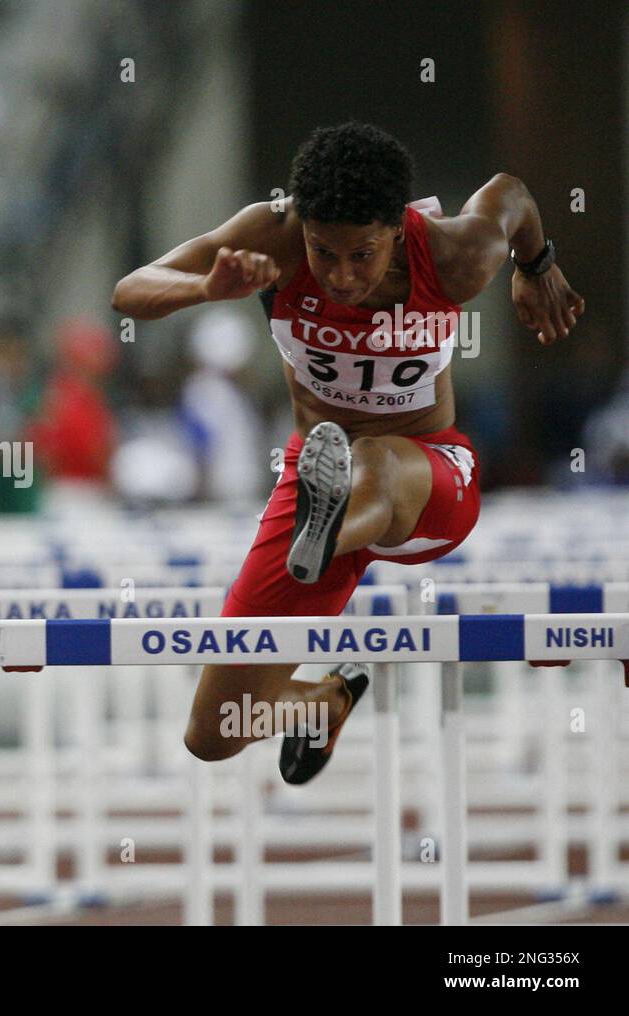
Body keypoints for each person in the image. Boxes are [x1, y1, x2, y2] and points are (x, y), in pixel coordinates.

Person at [113, 121, 584, 784]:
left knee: (375, 463)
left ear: (396, 228)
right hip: (315, 481)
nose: (339, 276)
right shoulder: (270, 236)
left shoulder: (456, 253)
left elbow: (513, 195)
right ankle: (324, 699)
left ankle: (328, 530)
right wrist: (205, 289)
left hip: (429, 479)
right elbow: (129, 290)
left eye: (361, 255)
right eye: (322, 252)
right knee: (217, 731)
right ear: (300, 226)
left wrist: (537, 266)